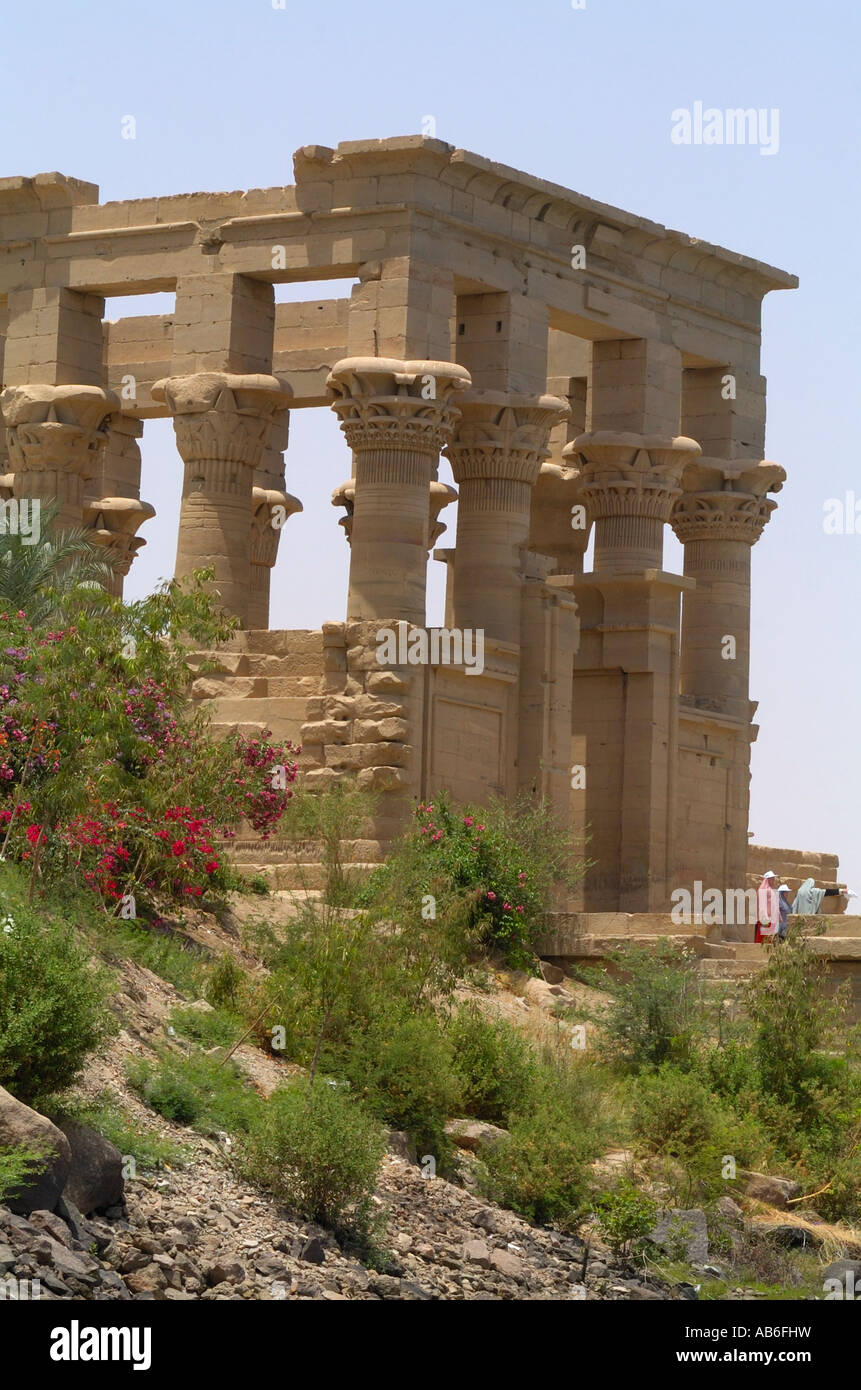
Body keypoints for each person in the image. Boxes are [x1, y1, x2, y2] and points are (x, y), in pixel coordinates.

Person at [755, 870, 780, 944]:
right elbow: (762, 906)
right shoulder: (763, 890)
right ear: (767, 879)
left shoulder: (770, 890)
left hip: (771, 920)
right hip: (765, 920)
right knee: (763, 941)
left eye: (773, 878)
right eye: (772, 878)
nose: (773, 880)